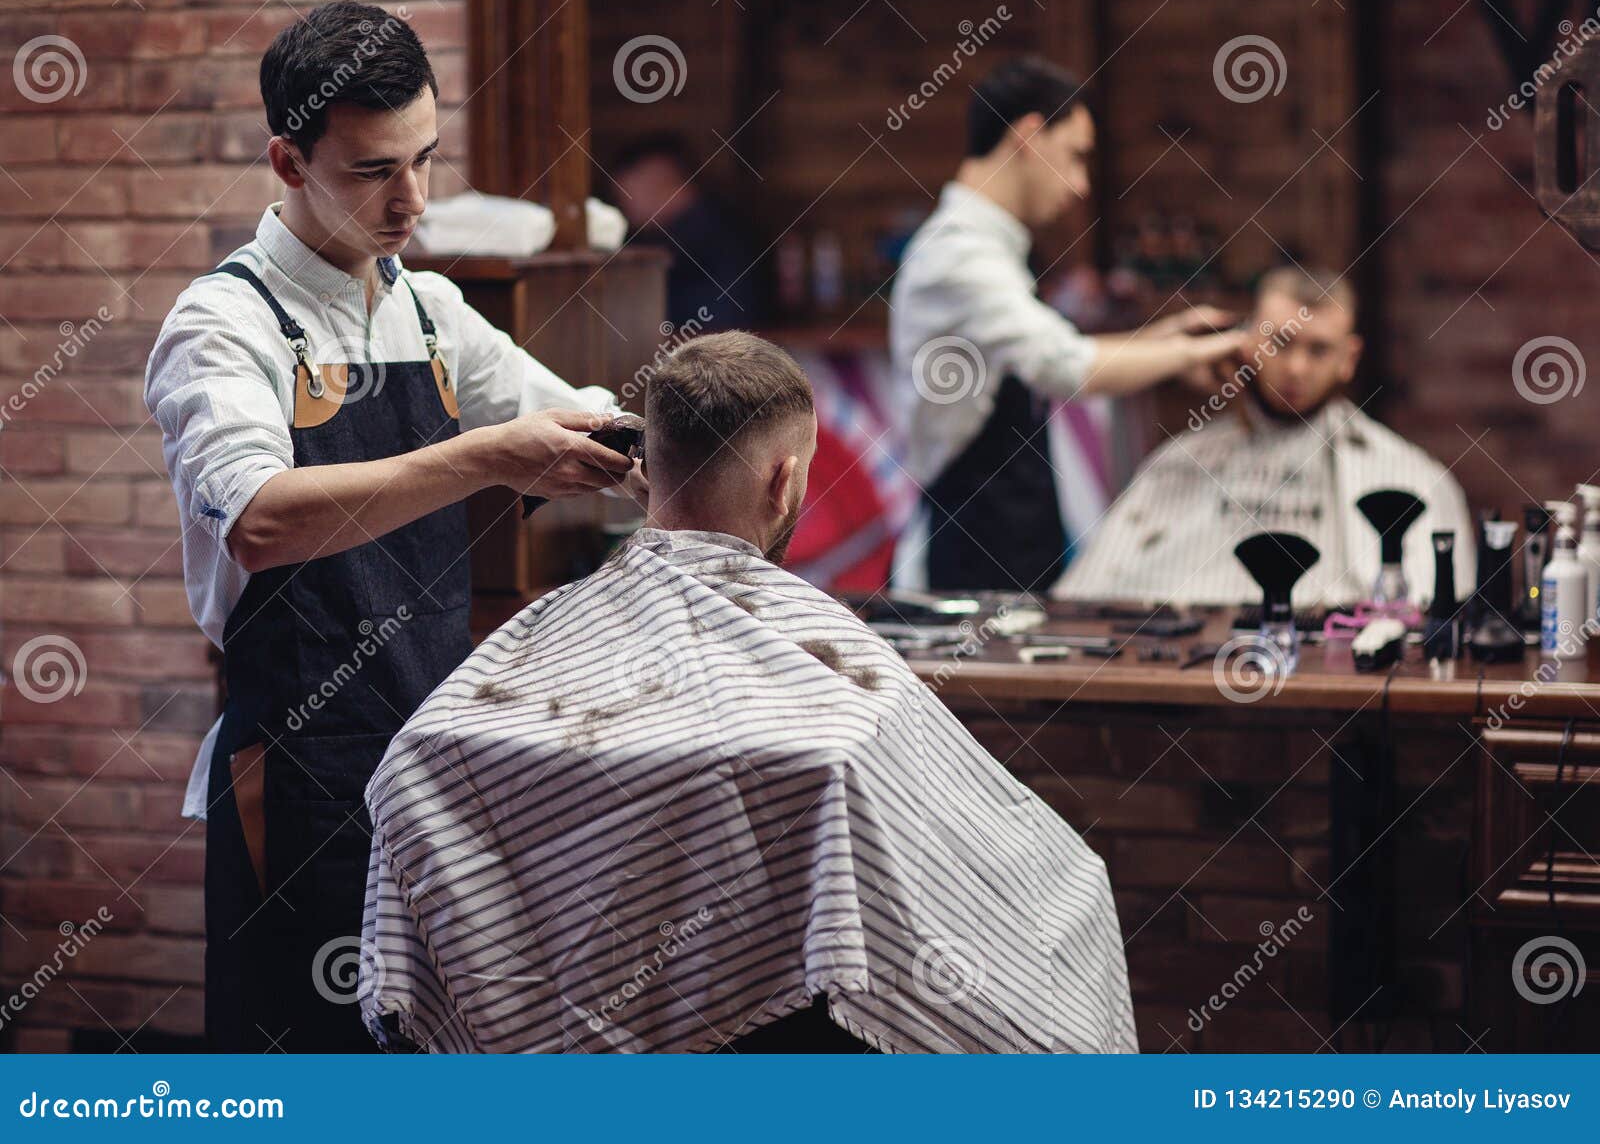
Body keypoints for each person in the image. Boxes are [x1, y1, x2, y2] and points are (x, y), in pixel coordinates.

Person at [360, 332, 1137, 1054]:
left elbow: (412, 775)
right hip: (781, 1052)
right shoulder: (840, 730)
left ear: (647, 464)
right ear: (785, 478)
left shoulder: (484, 695)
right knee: (1073, 890)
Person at [144, 1, 644, 1053]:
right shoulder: (223, 325)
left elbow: (582, 423)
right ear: (289, 159)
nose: (413, 200)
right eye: (375, 171)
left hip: (429, 762)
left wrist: (693, 438)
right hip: (300, 773)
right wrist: (488, 457)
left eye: (425, 158)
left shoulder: (427, 313)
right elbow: (262, 523)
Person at [890, 55, 1252, 594]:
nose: (1082, 185)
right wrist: (1201, 352)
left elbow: (1054, 345)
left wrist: (1166, 336)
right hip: (968, 557)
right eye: (1075, 156)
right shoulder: (957, 256)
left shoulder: (988, 251)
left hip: (1010, 545)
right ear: (1030, 137)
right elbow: (1064, 365)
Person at [1053, 267, 1477, 606]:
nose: (1296, 368)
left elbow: (1438, 621)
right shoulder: (1182, 460)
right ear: (1248, 340)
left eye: (1318, 350)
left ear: (1349, 358)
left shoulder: (1409, 475)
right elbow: (1085, 600)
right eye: (1281, 343)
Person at [609, 133, 765, 331]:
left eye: (625, 193)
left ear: (656, 179)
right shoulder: (690, 228)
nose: (623, 207)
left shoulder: (705, 230)